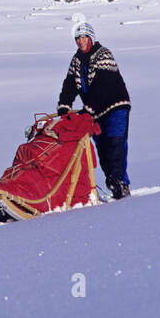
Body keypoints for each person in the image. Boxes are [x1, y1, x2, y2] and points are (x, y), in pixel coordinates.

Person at [57, 21, 132, 199]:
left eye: (84, 38)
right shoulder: (76, 60)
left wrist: (88, 108)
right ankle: (112, 182)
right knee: (102, 149)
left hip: (115, 106)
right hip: (94, 112)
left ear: (91, 37)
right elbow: (69, 84)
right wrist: (64, 106)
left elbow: (103, 84)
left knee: (115, 143)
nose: (81, 42)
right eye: (77, 39)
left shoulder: (104, 54)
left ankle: (121, 183)